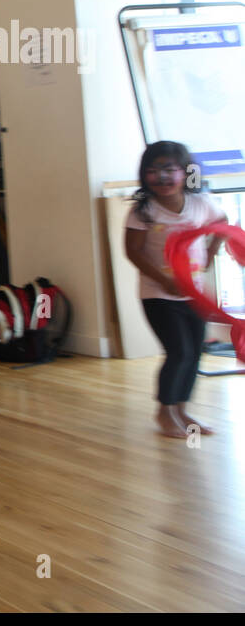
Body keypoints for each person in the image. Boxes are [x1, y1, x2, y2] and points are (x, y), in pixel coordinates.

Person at [124, 140, 227, 439]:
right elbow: (133, 252)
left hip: (191, 293)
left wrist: (211, 252)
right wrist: (163, 278)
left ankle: (182, 411)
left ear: (185, 172)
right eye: (154, 170)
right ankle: (164, 412)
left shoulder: (201, 204)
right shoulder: (143, 211)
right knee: (179, 351)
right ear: (145, 175)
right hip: (158, 295)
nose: (163, 177)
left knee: (195, 353)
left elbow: (222, 224)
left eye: (170, 169)